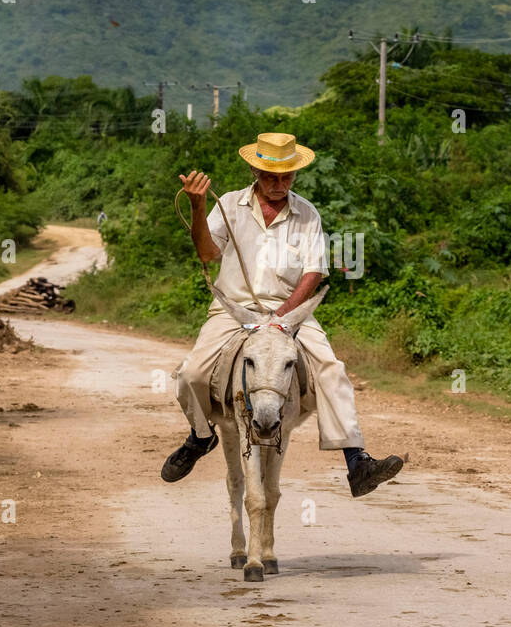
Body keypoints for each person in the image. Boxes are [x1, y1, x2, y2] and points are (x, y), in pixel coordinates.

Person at [161, 132, 404, 497]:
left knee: (330, 369)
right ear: (255, 171)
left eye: (286, 177)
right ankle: (199, 437)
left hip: (291, 313)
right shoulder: (228, 204)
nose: (278, 185)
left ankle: (357, 461)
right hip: (234, 310)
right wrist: (198, 207)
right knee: (190, 373)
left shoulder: (307, 213)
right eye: (271, 177)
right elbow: (208, 254)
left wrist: (282, 316)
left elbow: (313, 272)